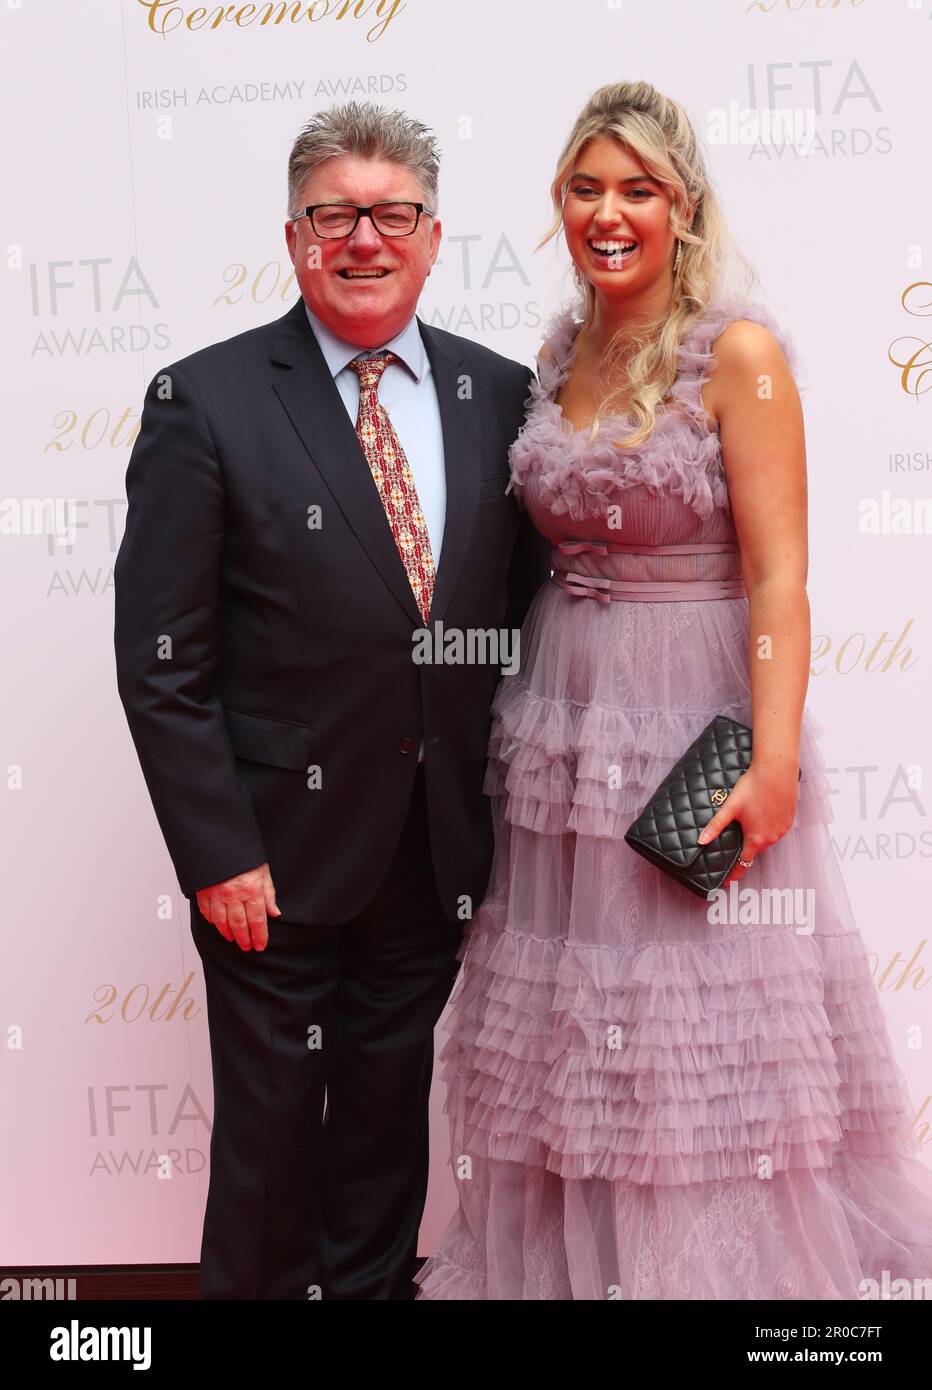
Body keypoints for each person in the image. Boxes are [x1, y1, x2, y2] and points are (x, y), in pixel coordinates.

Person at [414, 80, 932, 1300]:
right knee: (577, 1013)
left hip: (692, 708)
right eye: (586, 187)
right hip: (561, 714)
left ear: (681, 206)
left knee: (693, 1016)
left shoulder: (736, 353)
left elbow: (782, 578)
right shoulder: (561, 347)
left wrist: (767, 763)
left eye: (635, 189)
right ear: (559, 203)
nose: (608, 212)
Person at [113, 100, 550, 1300]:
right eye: (334, 215)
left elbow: (508, 624)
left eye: (391, 213)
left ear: (432, 233)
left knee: (379, 1147)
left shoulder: (499, 396)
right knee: (265, 1157)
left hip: (433, 851)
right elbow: (161, 655)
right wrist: (214, 850)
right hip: (269, 864)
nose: (364, 238)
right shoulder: (202, 401)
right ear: (295, 235)